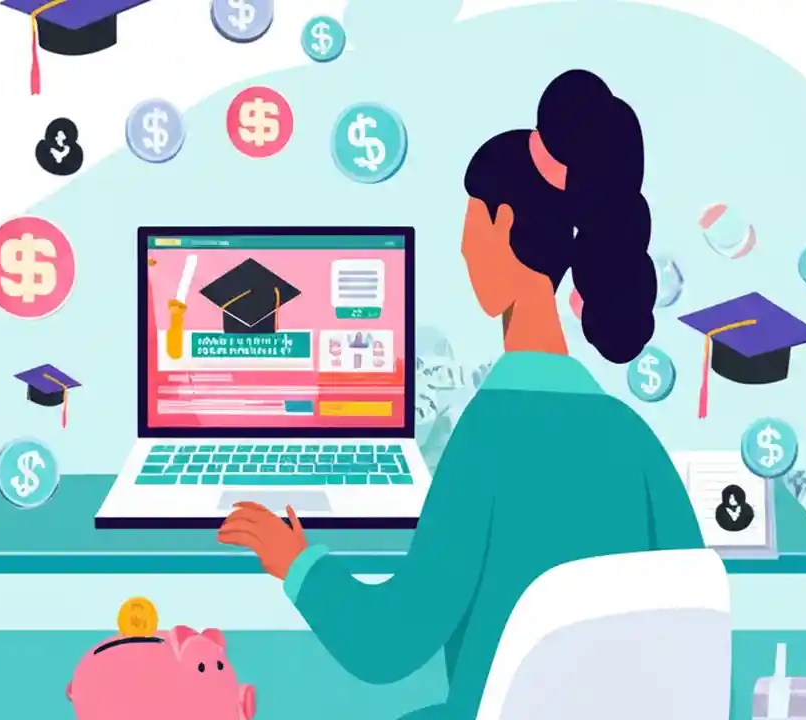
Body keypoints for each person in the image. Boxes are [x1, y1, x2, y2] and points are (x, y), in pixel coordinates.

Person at [218, 69, 704, 719]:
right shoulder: (634, 441)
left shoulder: (491, 437)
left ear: (503, 224)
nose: (464, 248)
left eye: (470, 224)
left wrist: (297, 562)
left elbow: (387, 646)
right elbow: (695, 626)